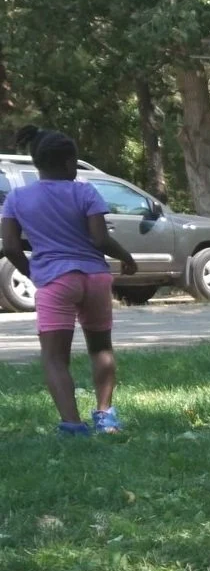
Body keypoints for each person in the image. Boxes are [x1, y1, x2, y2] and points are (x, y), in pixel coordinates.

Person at [0, 129, 138, 436]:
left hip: (55, 281)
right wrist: (126, 257)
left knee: (54, 357)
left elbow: (10, 247)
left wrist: (34, 272)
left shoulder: (17, 199)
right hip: (95, 277)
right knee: (100, 348)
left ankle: (73, 426)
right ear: (68, 163)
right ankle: (106, 417)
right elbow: (100, 239)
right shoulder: (85, 192)